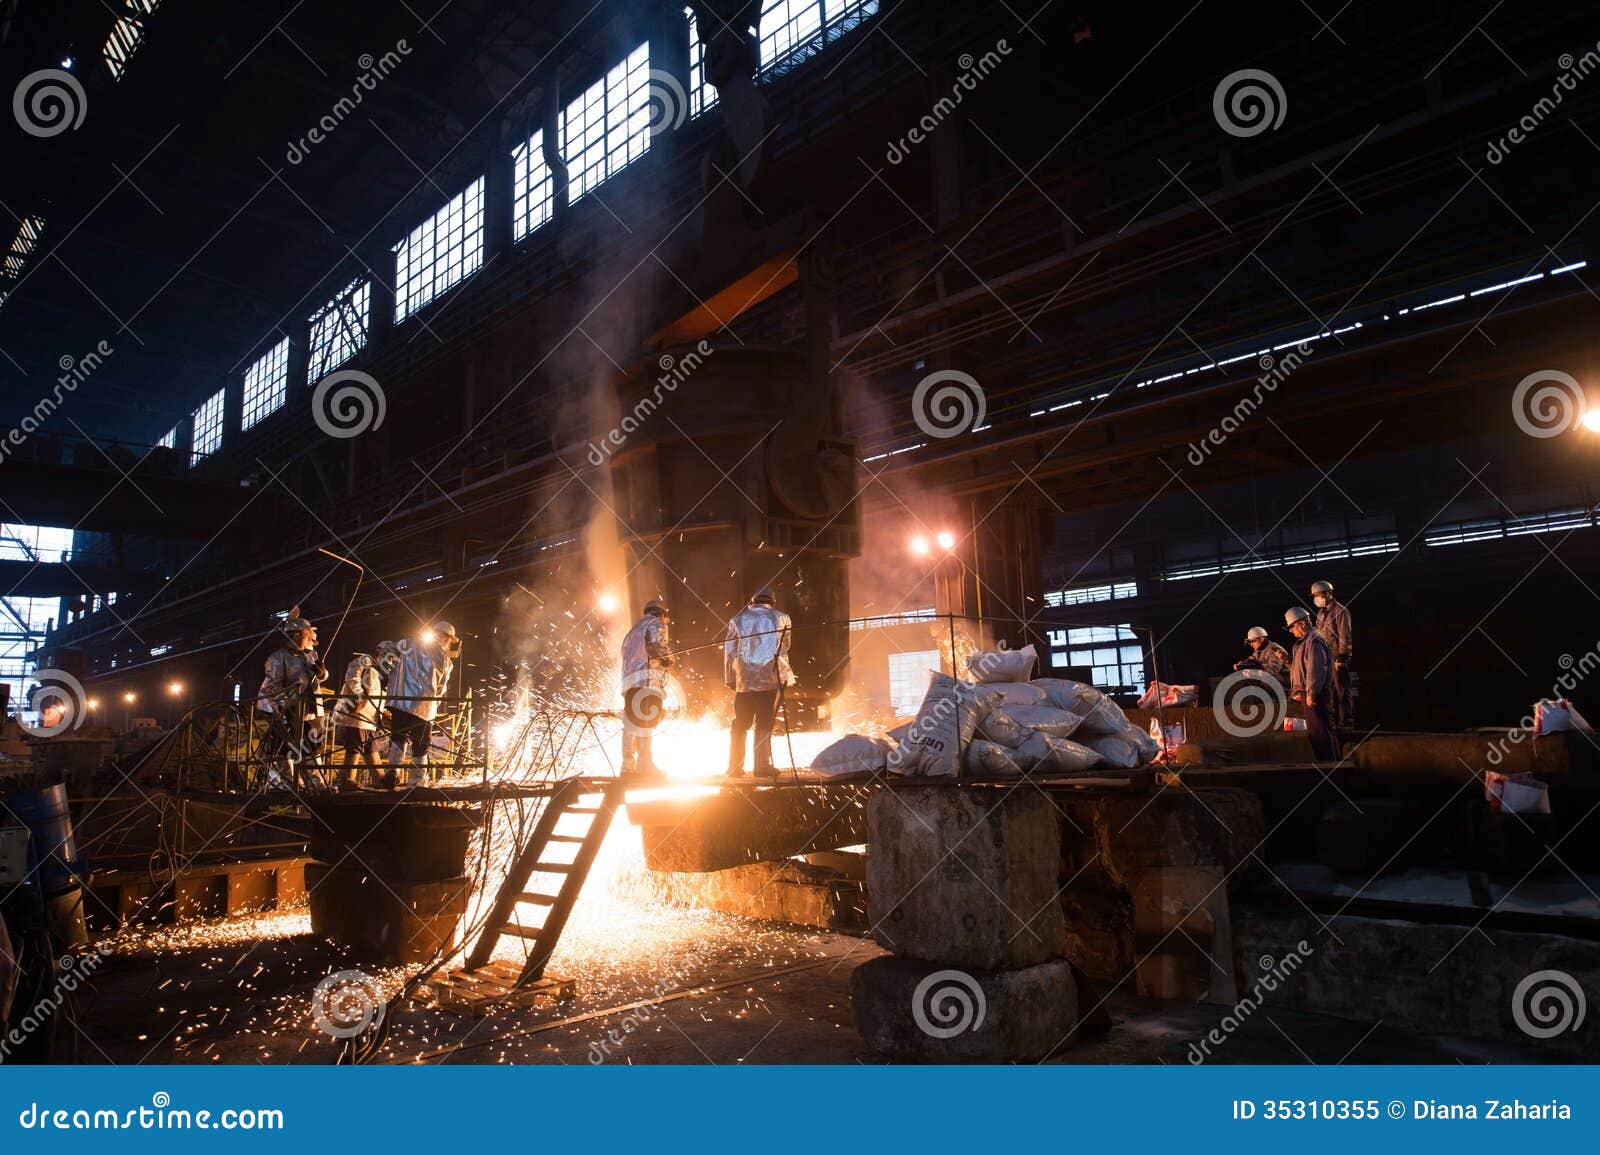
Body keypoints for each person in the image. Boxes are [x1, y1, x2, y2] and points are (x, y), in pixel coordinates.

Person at [724, 587, 794, 779]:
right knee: (764, 721)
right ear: (773, 602)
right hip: (770, 679)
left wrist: (730, 678)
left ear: (752, 602)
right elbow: (785, 646)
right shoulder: (783, 618)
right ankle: (762, 766)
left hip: (744, 681)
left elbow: (729, 651)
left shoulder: (737, 619)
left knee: (741, 722)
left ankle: (734, 767)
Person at [385, 622, 461, 786]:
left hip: (400, 703)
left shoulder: (408, 643)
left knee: (398, 738)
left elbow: (386, 651)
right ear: (446, 638)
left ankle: (392, 772)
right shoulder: (445, 660)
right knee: (421, 744)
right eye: (450, 641)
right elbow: (441, 688)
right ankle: (417, 782)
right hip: (423, 707)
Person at [257, 611, 328, 779]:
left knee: (313, 745)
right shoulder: (277, 658)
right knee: (284, 747)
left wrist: (322, 673)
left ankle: (316, 782)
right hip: (286, 710)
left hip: (309, 709)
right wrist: (286, 709)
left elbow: (318, 677)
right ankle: (286, 783)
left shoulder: (311, 655)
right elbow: (273, 688)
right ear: (296, 635)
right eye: (307, 635)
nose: (310, 638)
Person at [619, 599, 672, 780]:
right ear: (662, 614)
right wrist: (668, 658)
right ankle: (645, 766)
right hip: (646, 681)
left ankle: (627, 767)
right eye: (665, 618)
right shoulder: (656, 623)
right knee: (645, 722)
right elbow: (655, 646)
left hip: (629, 683)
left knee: (631, 723)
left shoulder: (633, 631)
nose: (665, 621)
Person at [1286, 606, 1339, 761]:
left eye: (1292, 626)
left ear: (1302, 623)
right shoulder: (1304, 642)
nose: (1290, 631)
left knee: (1319, 732)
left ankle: (1329, 765)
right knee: (1319, 731)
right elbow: (1302, 668)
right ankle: (1331, 763)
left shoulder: (1313, 640)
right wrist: (1298, 690)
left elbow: (1316, 668)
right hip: (1309, 692)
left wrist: (1311, 693)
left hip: (1316, 693)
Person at [330, 653, 384, 790]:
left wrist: (383, 712)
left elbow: (377, 695)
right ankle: (346, 782)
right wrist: (359, 696)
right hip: (356, 718)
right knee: (354, 750)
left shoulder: (378, 672)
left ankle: (379, 779)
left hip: (369, 719)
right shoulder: (365, 660)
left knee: (371, 749)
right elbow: (352, 677)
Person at [1311, 579, 1354, 728]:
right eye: (1314, 595)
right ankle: (1331, 723)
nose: (1316, 598)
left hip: (1336, 657)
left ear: (1328, 593)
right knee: (1327, 692)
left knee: (1342, 691)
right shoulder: (1321, 613)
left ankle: (1346, 722)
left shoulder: (1341, 611)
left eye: (1318, 594)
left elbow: (1345, 636)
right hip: (1324, 657)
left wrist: (1342, 657)